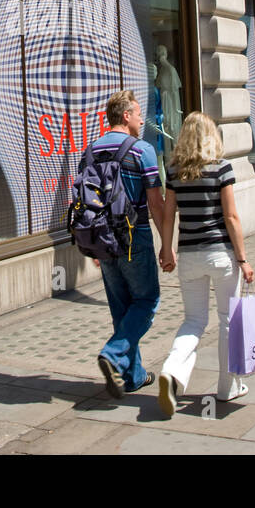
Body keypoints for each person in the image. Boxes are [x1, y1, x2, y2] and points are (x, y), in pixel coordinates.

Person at [157, 112, 255, 417]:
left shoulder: (174, 171)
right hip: (221, 254)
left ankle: (172, 369)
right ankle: (228, 387)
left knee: (194, 321)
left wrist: (167, 250)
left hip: (189, 254)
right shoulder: (221, 168)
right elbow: (231, 217)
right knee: (227, 319)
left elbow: (168, 214)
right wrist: (243, 258)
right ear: (212, 135)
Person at [91, 90, 168, 398]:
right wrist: (167, 243)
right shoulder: (142, 150)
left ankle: (133, 376)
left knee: (122, 308)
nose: (140, 119)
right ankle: (112, 353)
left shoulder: (92, 149)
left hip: (103, 238)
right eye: (137, 113)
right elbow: (156, 202)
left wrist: (91, 246)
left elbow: (87, 201)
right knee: (148, 301)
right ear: (126, 116)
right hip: (135, 234)